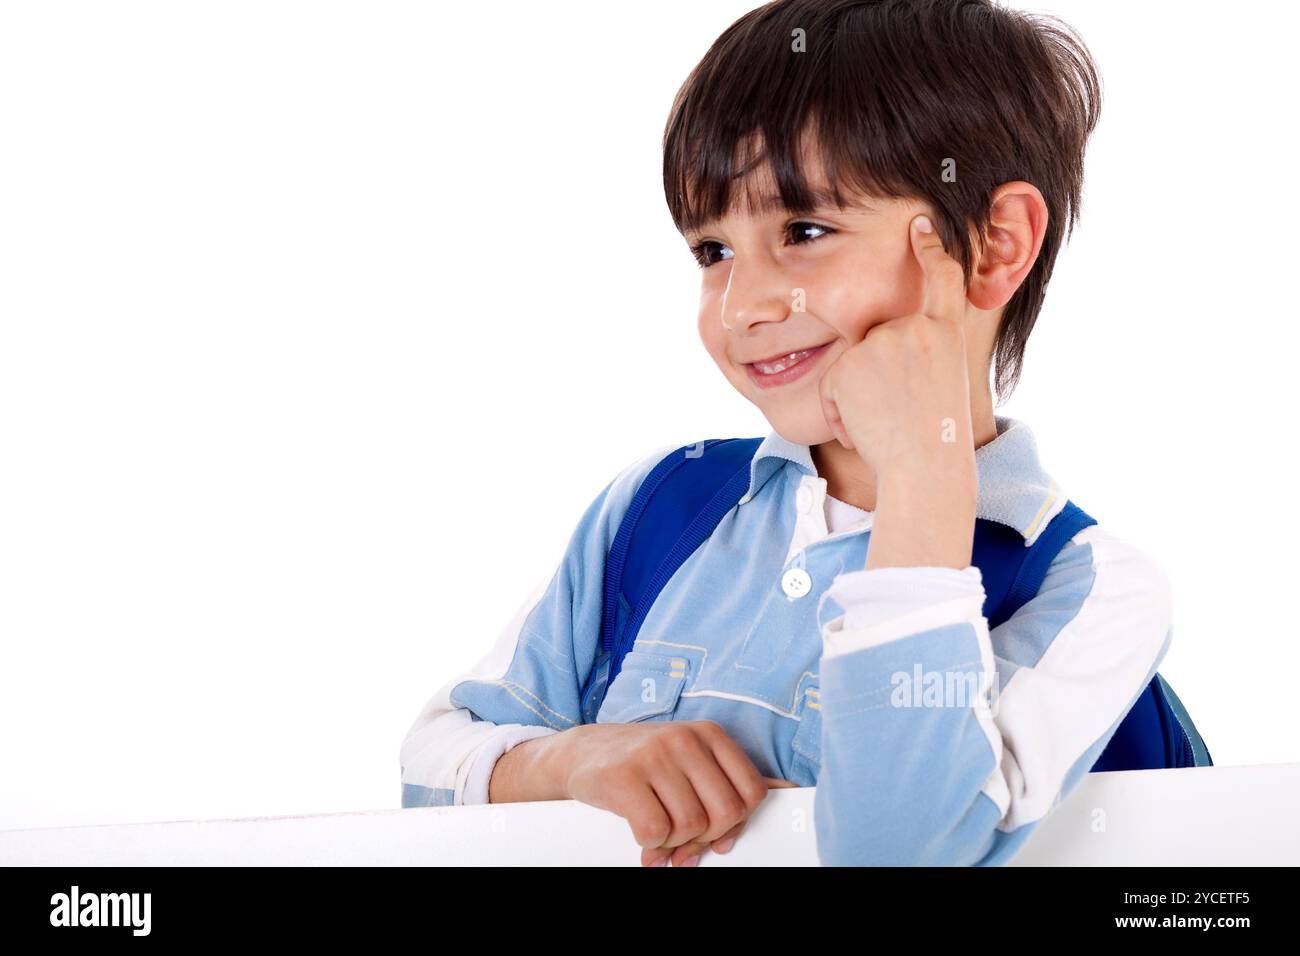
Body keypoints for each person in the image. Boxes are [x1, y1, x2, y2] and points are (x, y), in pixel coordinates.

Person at [400, 0, 1171, 867]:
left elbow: (899, 852)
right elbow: (428, 777)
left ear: (995, 245)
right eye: (712, 251)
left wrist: (924, 476)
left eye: (805, 232)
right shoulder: (659, 507)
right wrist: (570, 757)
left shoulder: (1083, 588)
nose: (744, 307)